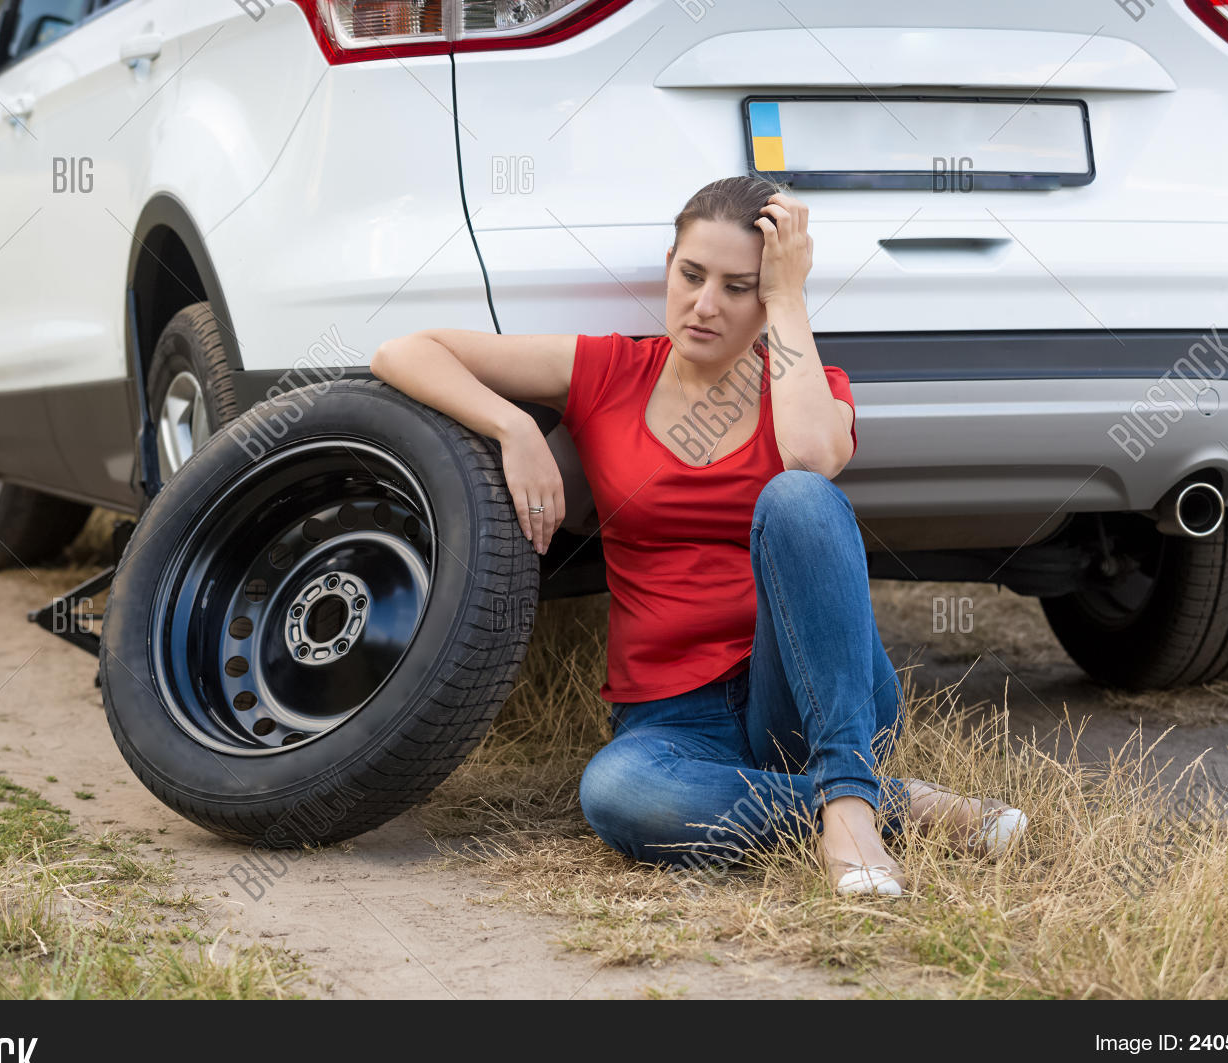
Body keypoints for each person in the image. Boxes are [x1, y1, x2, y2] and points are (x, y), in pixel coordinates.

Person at [370, 175, 1026, 896]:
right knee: (620, 793)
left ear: (767, 295)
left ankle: (844, 793)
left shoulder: (810, 383)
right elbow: (404, 351)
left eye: (739, 287)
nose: (705, 305)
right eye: (691, 275)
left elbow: (812, 459)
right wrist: (513, 425)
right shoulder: (609, 370)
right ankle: (896, 806)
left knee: (800, 497)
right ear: (669, 269)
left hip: (806, 697)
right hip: (671, 716)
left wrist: (789, 297)